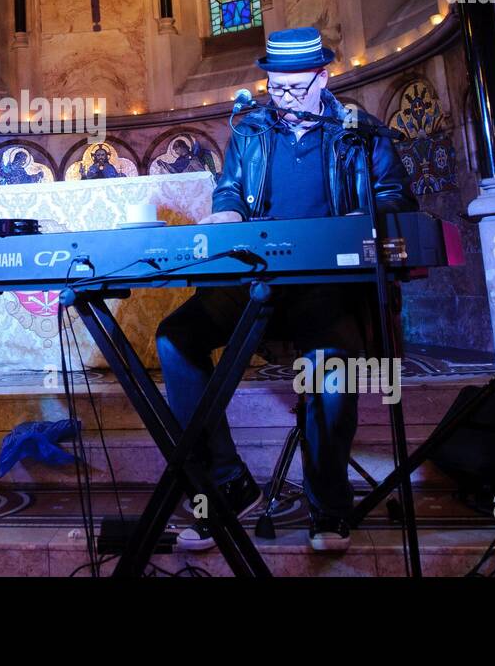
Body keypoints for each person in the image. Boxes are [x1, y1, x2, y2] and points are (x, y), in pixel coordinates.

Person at [155, 27, 415, 552]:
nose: (289, 99)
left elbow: (396, 202)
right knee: (175, 337)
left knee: (331, 360)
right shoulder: (250, 131)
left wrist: (363, 223)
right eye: (279, 88)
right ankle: (226, 483)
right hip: (258, 281)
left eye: (300, 88)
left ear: (324, 77)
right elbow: (230, 189)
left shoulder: (359, 134)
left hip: (329, 286)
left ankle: (329, 506)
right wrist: (225, 211)